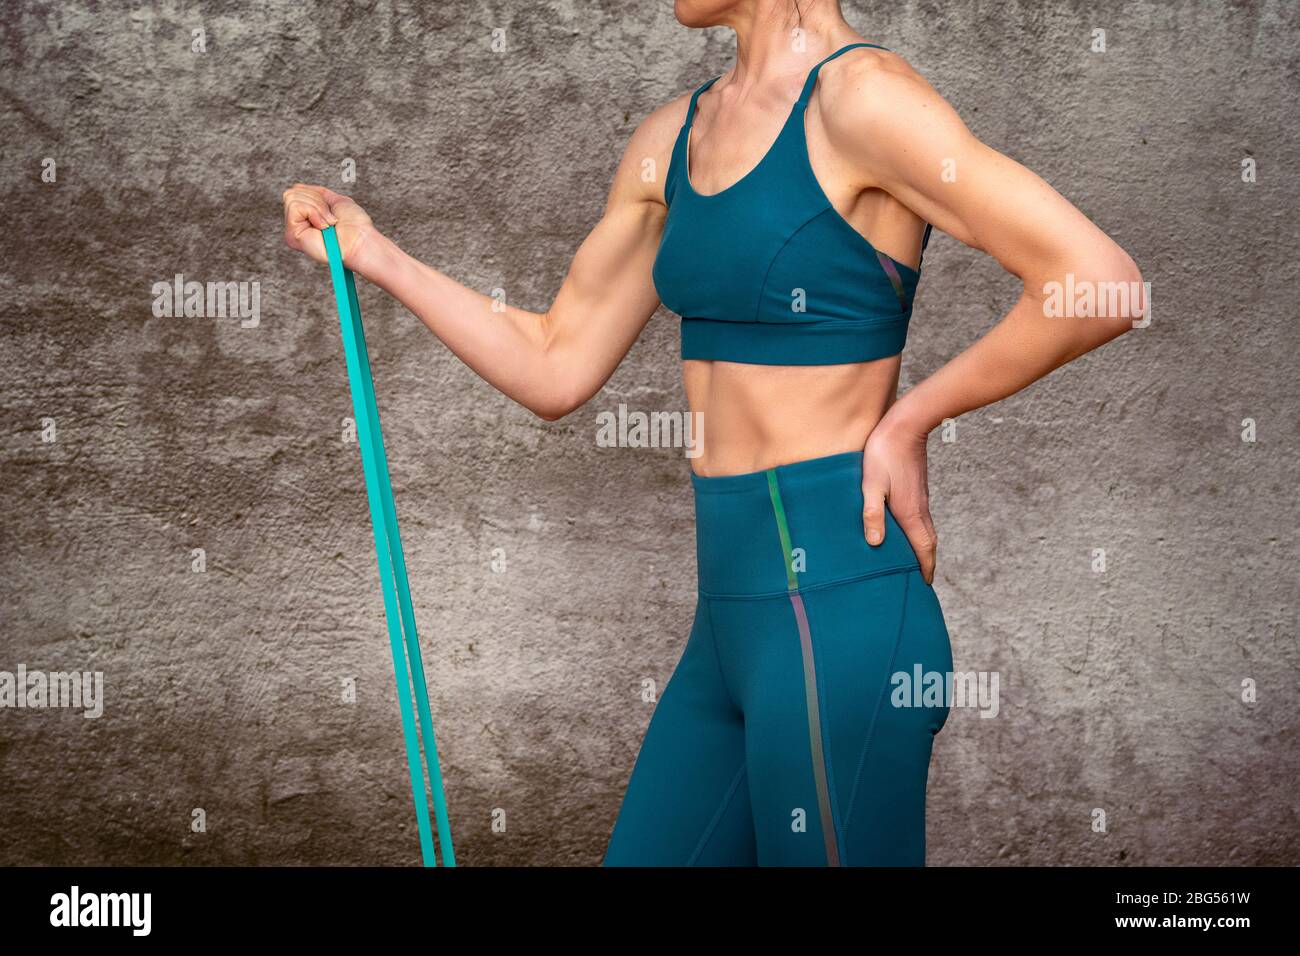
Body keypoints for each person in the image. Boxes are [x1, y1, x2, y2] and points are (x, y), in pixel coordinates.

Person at [282, 0, 1143, 866]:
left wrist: (912, 419)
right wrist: (374, 255)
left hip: (841, 613)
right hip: (727, 629)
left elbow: (1100, 280)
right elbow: (554, 363)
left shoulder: (863, 102)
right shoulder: (674, 138)